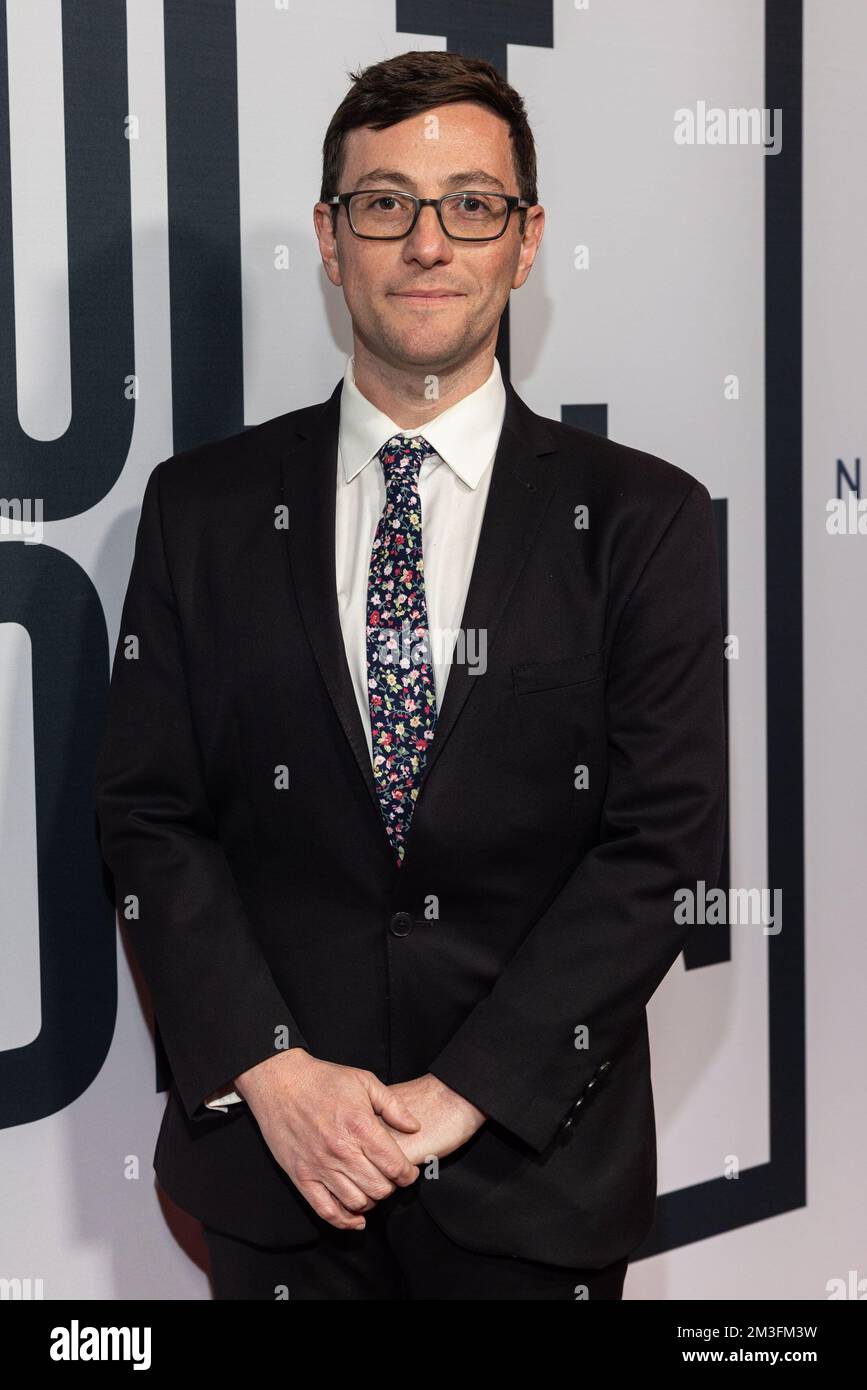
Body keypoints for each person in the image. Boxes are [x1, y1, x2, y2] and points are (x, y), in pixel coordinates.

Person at [94, 49, 726, 1301]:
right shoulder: (200, 510)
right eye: (383, 203)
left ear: (525, 239)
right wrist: (273, 1073)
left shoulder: (645, 519)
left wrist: (463, 1094)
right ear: (332, 241)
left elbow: (663, 847)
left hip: (532, 1182)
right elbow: (148, 813)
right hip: (277, 1181)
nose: (426, 243)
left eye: (469, 205)